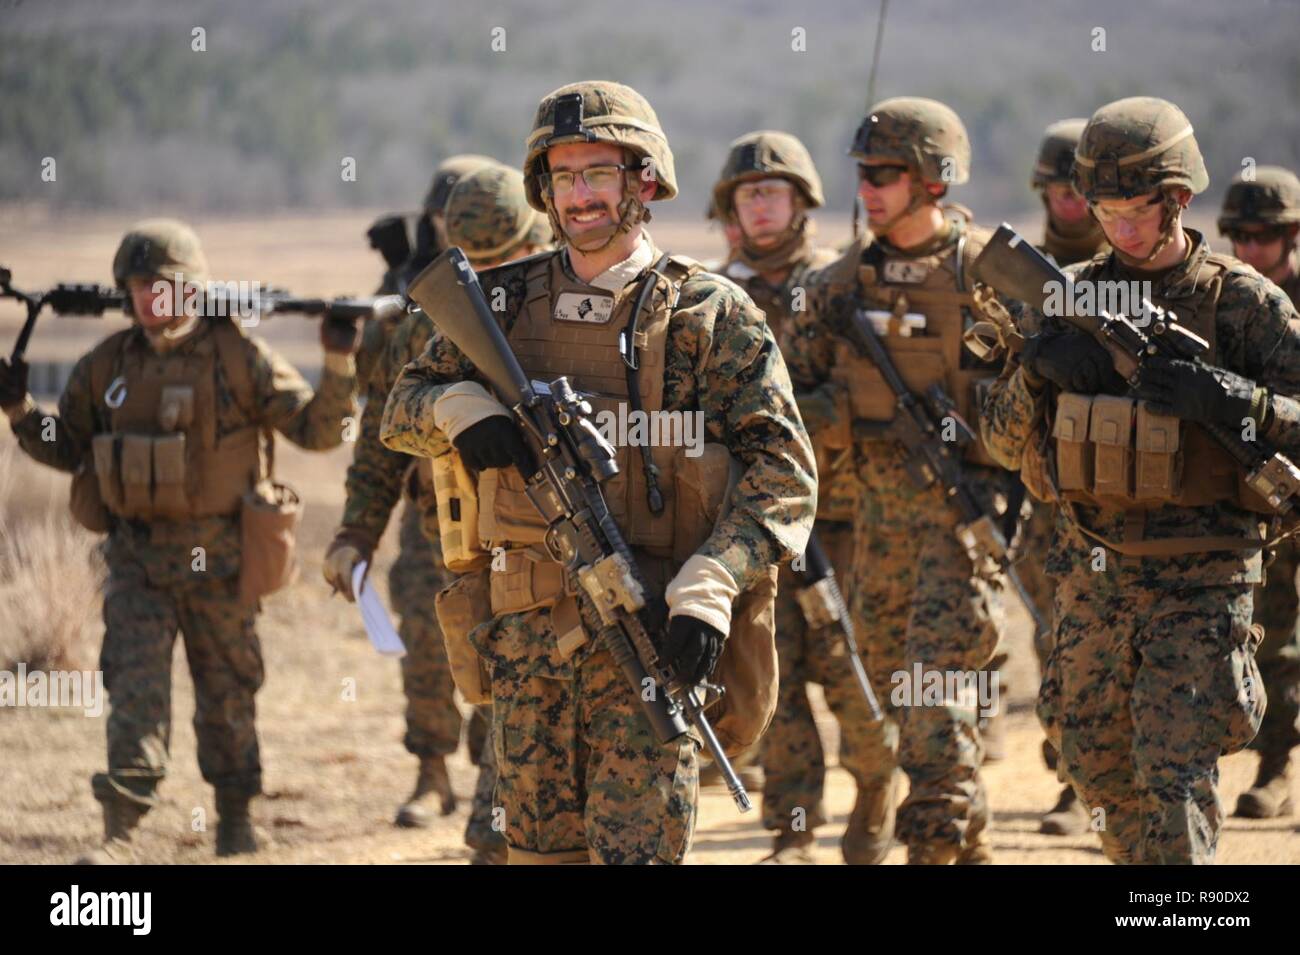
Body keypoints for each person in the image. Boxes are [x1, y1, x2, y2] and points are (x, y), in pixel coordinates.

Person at [379, 80, 816, 864]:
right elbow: (399, 407)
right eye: (563, 175)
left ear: (644, 181)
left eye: (599, 174)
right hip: (523, 647)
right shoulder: (501, 306)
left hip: (646, 636)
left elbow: (784, 474)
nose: (579, 196)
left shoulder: (709, 317)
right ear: (543, 189)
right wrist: (459, 410)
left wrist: (713, 584)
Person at [981, 97, 1300, 863]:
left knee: (1173, 769)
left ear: (1180, 199)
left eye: (1136, 210)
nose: (1119, 228)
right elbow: (998, 442)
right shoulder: (1068, 298)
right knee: (1092, 761)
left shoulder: (1245, 303)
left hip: (1206, 570)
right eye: (1105, 209)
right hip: (1093, 571)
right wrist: (1035, 369)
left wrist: (1233, 398)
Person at [0, 219, 359, 861]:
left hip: (221, 562)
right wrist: (21, 412)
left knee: (227, 694)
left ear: (191, 290)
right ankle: (122, 834)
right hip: (136, 561)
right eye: (136, 287)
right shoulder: (106, 365)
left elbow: (319, 431)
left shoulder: (238, 358)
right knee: (133, 692)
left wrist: (336, 358)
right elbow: (69, 448)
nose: (147, 299)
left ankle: (236, 823)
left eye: (160, 286)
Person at [786, 97, 1011, 864]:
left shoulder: (993, 279)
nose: (869, 188)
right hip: (874, 534)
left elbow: (1044, 401)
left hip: (962, 528)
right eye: (864, 174)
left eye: (887, 174)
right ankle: (965, 831)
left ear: (935, 180)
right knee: (890, 690)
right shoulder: (836, 287)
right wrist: (847, 409)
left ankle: (937, 842)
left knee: (936, 700)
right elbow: (785, 403)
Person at [325, 154, 498, 832]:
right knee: (427, 645)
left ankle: (496, 782)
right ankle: (432, 771)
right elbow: (380, 412)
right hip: (433, 521)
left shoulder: (526, 291)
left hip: (516, 524)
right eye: (442, 218)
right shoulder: (410, 302)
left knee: (503, 657)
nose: (453, 228)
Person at [1218, 165, 1300, 819]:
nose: (1249, 249)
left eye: (1262, 237)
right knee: (1255, 630)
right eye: (1238, 236)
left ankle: (1276, 766)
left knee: (1282, 634)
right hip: (1244, 489)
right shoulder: (1229, 301)